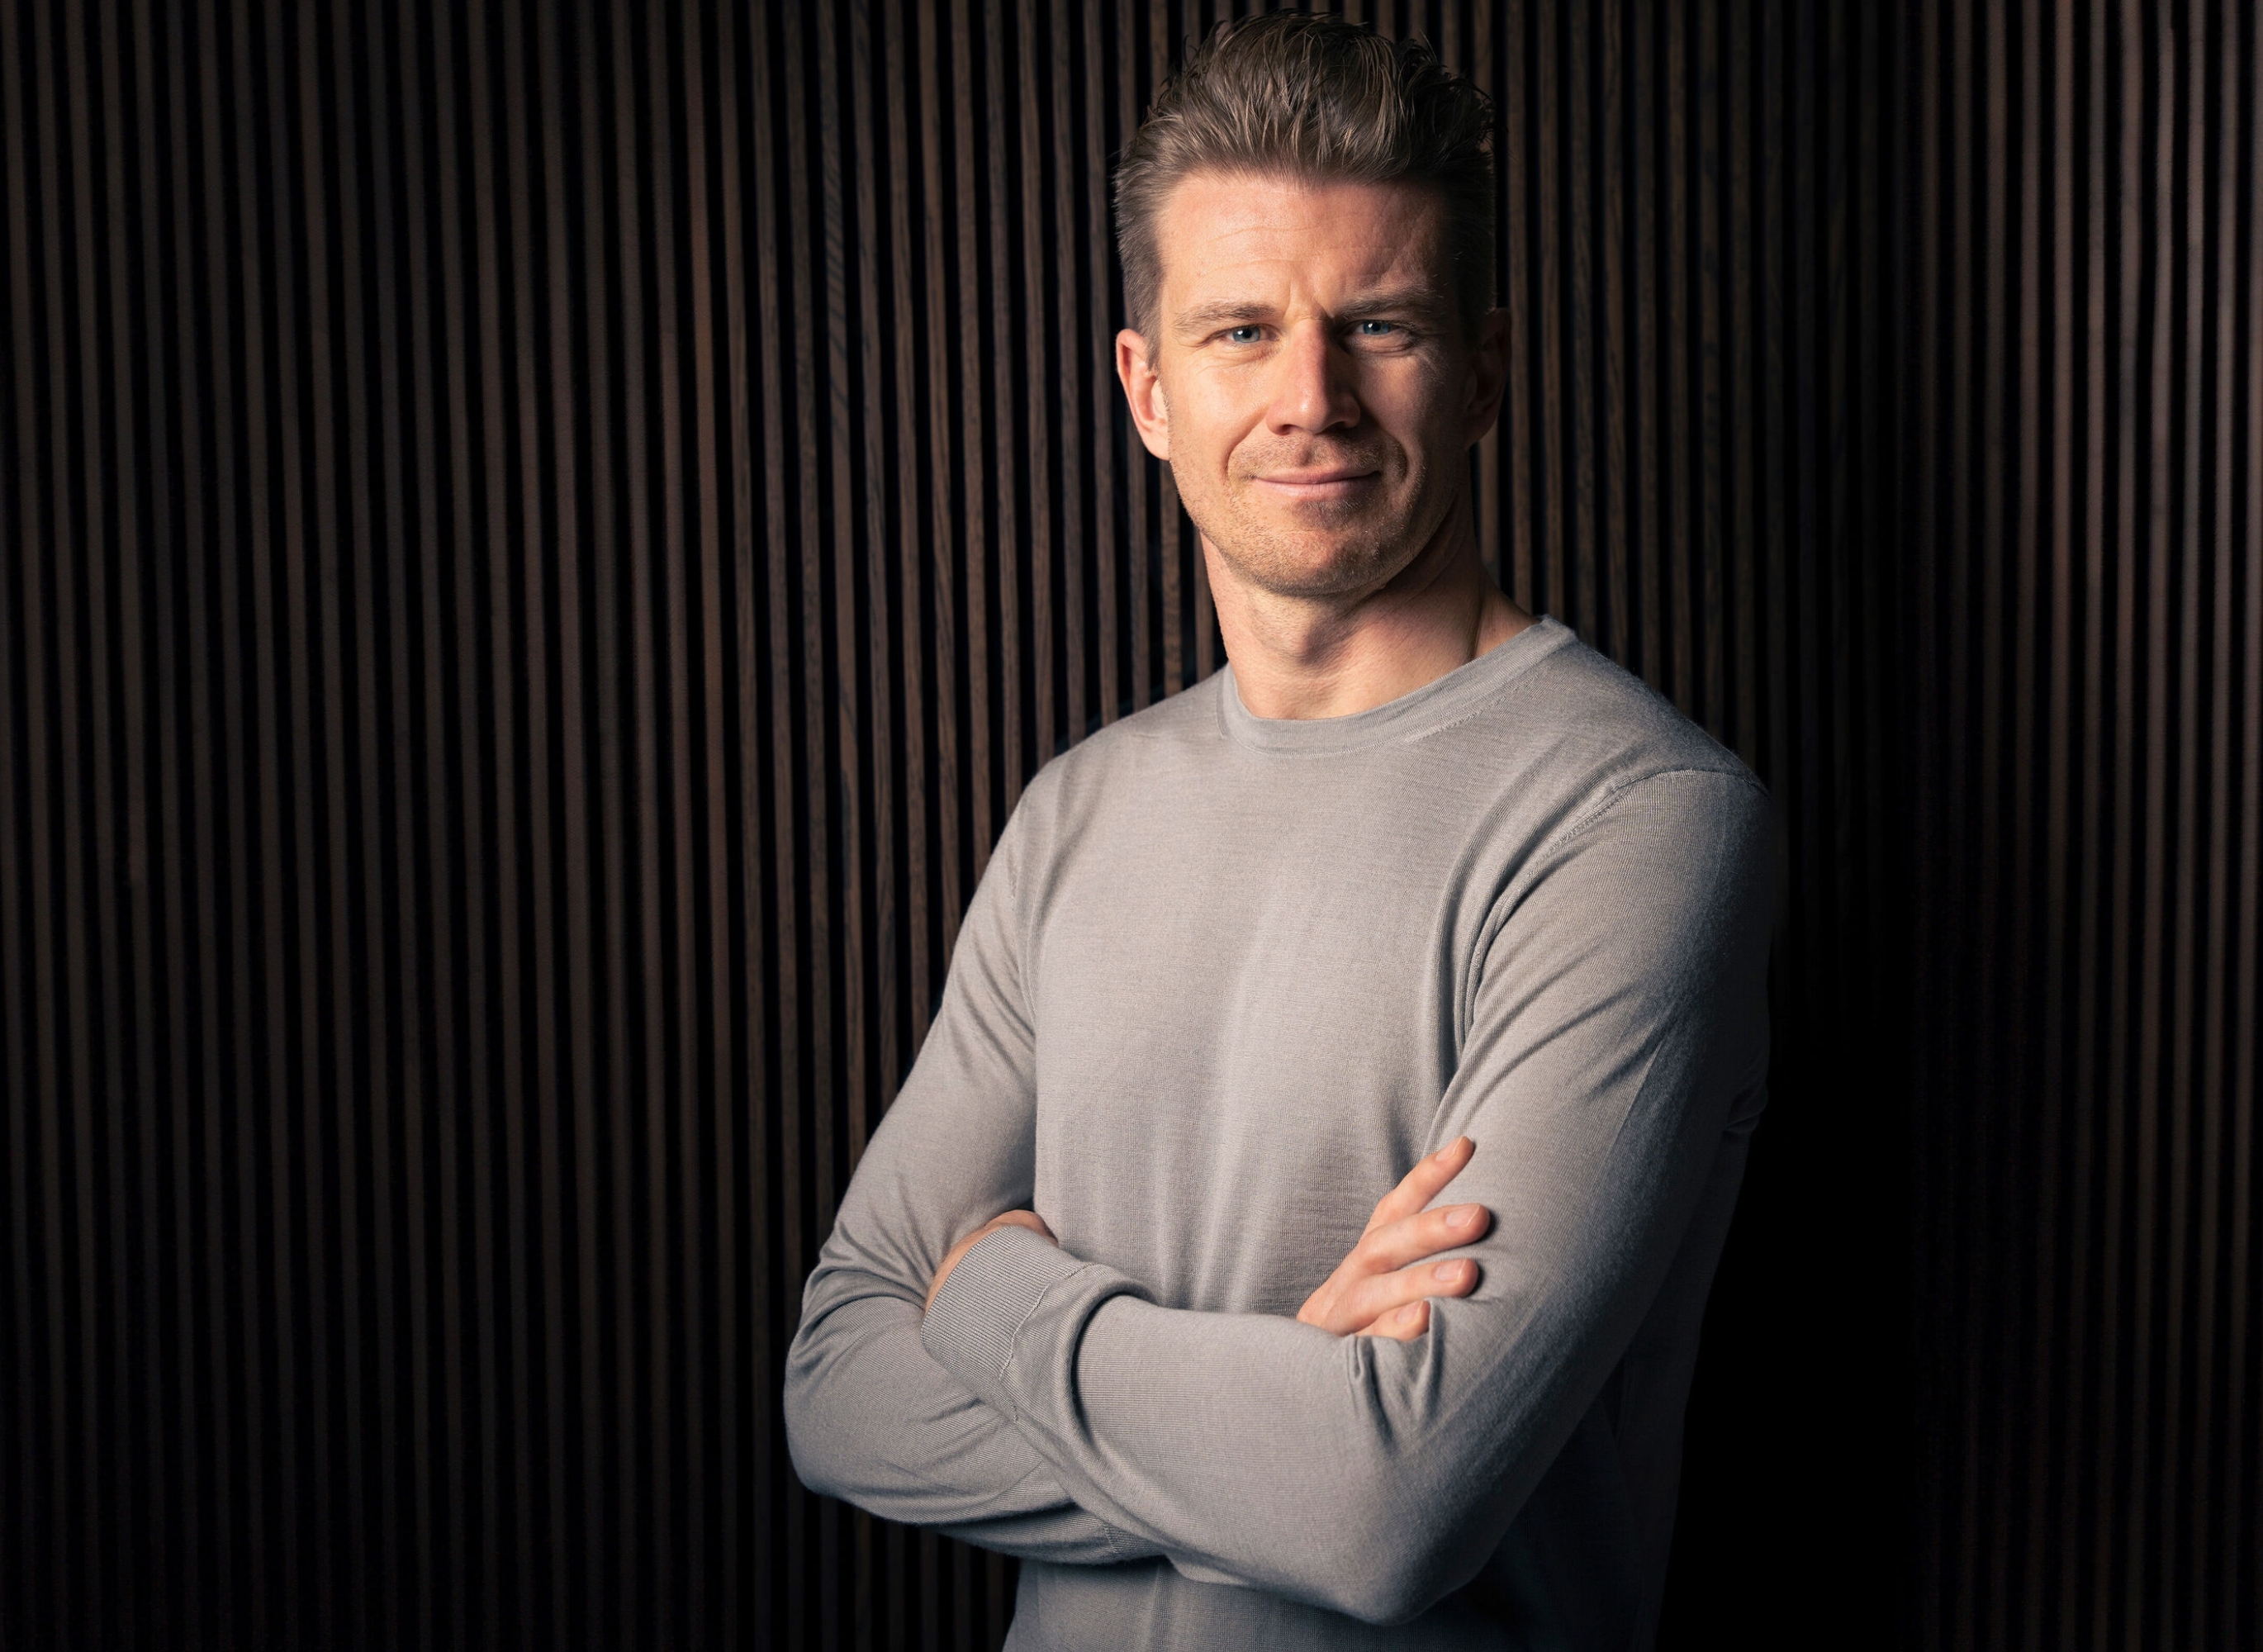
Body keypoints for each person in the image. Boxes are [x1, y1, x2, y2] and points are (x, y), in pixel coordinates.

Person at [784, 15, 1772, 1649]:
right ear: (1148, 388)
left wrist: (997, 1298)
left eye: (1374, 322)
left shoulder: (1640, 823)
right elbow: (831, 1387)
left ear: (1484, 371)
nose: (1307, 396)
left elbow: (1380, 1509)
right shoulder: (1077, 811)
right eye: (1240, 329)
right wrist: (1289, 1384)